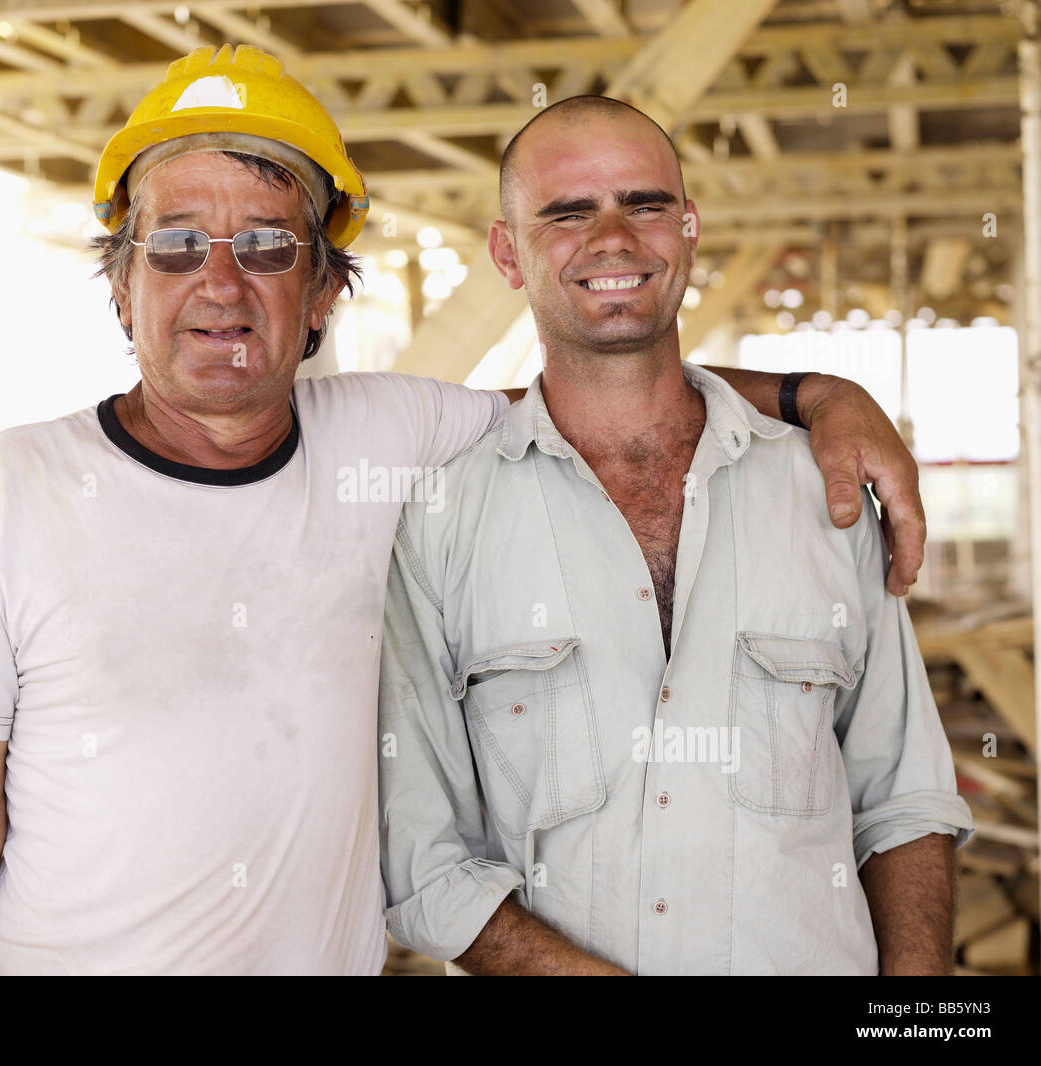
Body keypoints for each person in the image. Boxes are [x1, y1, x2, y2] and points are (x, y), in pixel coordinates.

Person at [0, 45, 929, 976]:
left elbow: (609, 383)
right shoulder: (18, 487)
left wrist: (819, 396)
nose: (221, 283)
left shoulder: (381, 440)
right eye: (176, 243)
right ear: (121, 284)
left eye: (268, 245)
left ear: (323, 294)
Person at [377, 96, 973, 976]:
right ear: (506, 253)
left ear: (688, 229)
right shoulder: (438, 518)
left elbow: (905, 799)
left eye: (645, 204)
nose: (612, 238)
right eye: (566, 213)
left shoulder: (825, 490)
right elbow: (424, 865)